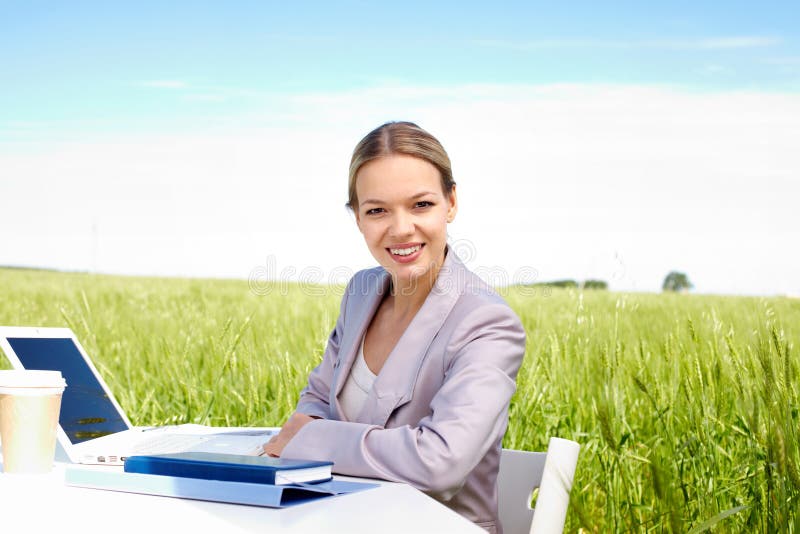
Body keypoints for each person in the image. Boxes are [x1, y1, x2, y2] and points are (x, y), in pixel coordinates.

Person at [264, 121, 526, 534]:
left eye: (420, 204)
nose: (401, 228)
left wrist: (311, 441)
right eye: (377, 210)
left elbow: (440, 464)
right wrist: (308, 432)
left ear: (451, 203)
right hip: (337, 520)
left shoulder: (486, 323)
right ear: (357, 218)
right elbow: (316, 400)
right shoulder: (361, 293)